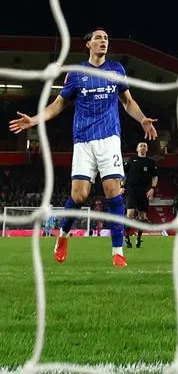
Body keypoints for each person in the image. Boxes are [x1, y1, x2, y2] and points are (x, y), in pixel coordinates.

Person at [8, 28, 158, 266]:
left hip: (110, 139)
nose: (103, 41)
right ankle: (63, 237)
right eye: (98, 38)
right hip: (83, 140)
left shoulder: (116, 70)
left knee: (113, 192)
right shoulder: (76, 74)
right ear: (88, 44)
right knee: (79, 196)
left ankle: (117, 252)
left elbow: (128, 102)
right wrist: (34, 120)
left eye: (107, 38)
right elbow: (58, 105)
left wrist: (142, 119)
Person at [123, 142, 158, 249]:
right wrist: (121, 186)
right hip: (131, 190)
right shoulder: (131, 160)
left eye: (145, 146)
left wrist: (153, 188)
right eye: (141, 146)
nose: (143, 147)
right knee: (130, 214)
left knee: (142, 216)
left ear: (147, 149)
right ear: (137, 148)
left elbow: (155, 176)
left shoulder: (150, 162)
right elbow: (123, 173)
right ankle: (127, 237)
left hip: (143, 192)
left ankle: (138, 238)